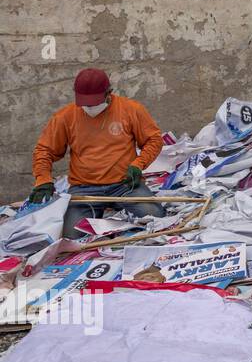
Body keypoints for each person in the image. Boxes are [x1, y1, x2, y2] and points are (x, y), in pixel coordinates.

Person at [30, 68, 166, 238]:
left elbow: (154, 139)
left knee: (156, 218)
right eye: (85, 104)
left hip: (125, 184)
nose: (90, 108)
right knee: (71, 235)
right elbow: (44, 149)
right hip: (84, 189)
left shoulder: (130, 109)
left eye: (94, 103)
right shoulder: (65, 117)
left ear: (109, 93)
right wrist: (43, 179)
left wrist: (138, 165)